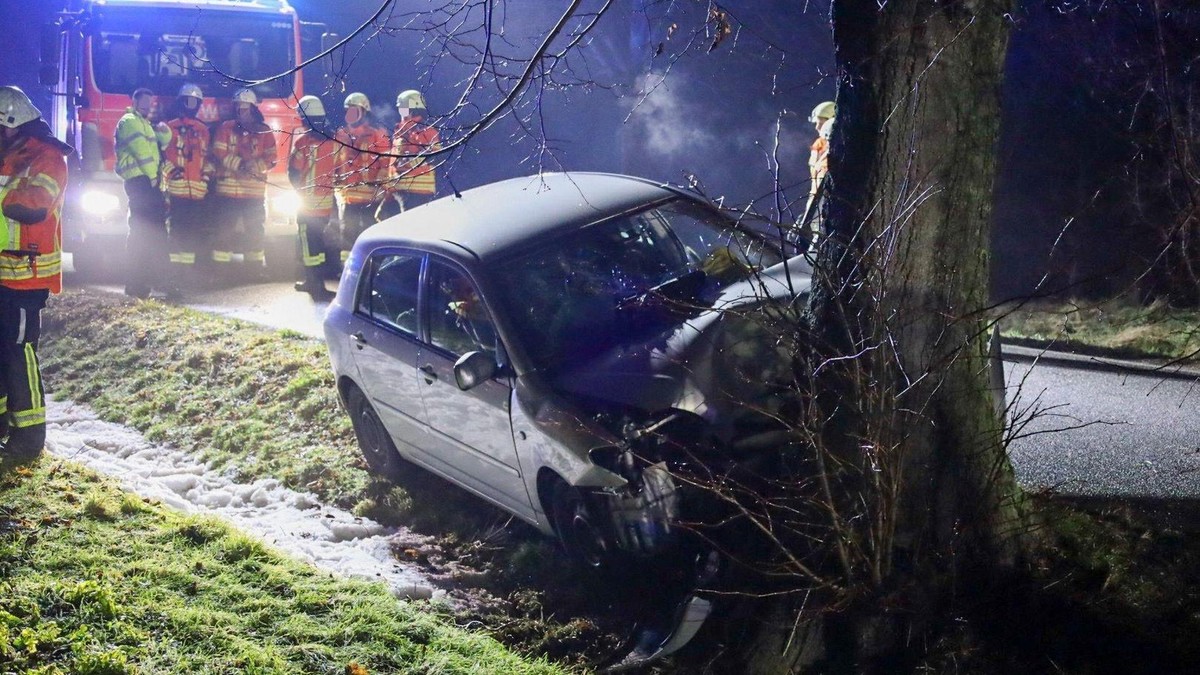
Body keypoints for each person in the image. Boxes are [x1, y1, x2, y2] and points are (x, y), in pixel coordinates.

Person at [0, 86, 72, 462]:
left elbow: (32, 206)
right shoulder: (10, 153)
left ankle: (28, 440)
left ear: (11, 123)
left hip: (26, 276)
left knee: (18, 352)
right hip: (3, 273)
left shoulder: (48, 157)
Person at [211, 87, 276, 281]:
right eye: (238, 108)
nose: (241, 111)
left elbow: (272, 158)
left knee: (255, 233)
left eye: (245, 108)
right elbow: (218, 151)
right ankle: (220, 273)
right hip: (228, 192)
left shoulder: (264, 131)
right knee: (223, 233)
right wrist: (240, 165)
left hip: (254, 193)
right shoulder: (226, 128)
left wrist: (256, 166)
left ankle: (253, 272)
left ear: (253, 109)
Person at [115, 87, 173, 298]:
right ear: (135, 101)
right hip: (142, 183)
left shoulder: (145, 123)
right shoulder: (129, 121)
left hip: (147, 183)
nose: (148, 105)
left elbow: (165, 140)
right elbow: (142, 152)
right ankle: (139, 284)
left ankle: (151, 282)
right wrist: (153, 178)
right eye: (144, 102)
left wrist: (160, 126)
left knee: (153, 233)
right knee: (143, 233)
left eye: (150, 102)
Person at [159, 83, 212, 291]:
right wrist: (173, 173)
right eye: (187, 101)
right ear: (181, 102)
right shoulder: (167, 127)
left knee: (192, 235)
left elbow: (208, 158)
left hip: (197, 193)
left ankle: (187, 277)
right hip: (176, 190)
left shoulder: (202, 129)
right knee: (177, 234)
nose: (191, 105)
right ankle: (173, 276)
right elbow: (160, 156)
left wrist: (205, 179)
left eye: (194, 102)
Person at [288, 95, 337, 301]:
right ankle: (315, 282)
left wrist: (298, 189)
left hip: (307, 206)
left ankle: (315, 285)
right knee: (318, 245)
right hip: (326, 207)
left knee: (309, 247)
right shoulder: (334, 141)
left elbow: (293, 172)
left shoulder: (303, 143)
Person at [333, 92, 389, 266]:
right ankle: (346, 268)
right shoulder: (341, 134)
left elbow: (386, 162)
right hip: (347, 195)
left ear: (364, 112)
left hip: (370, 195)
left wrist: (383, 185)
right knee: (347, 231)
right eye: (348, 110)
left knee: (368, 229)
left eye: (354, 110)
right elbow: (333, 161)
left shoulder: (377, 134)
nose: (350, 114)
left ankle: (371, 266)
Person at [378, 89, 440, 221]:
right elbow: (393, 165)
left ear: (414, 109)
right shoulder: (400, 132)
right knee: (382, 219)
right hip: (398, 190)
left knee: (412, 227)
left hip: (416, 192)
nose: (401, 112)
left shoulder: (426, 131)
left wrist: (407, 162)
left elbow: (435, 156)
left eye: (404, 109)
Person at [802, 100, 835, 250]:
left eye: (820, 122)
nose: (817, 127)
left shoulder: (833, 137)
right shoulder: (819, 145)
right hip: (817, 192)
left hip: (828, 189)